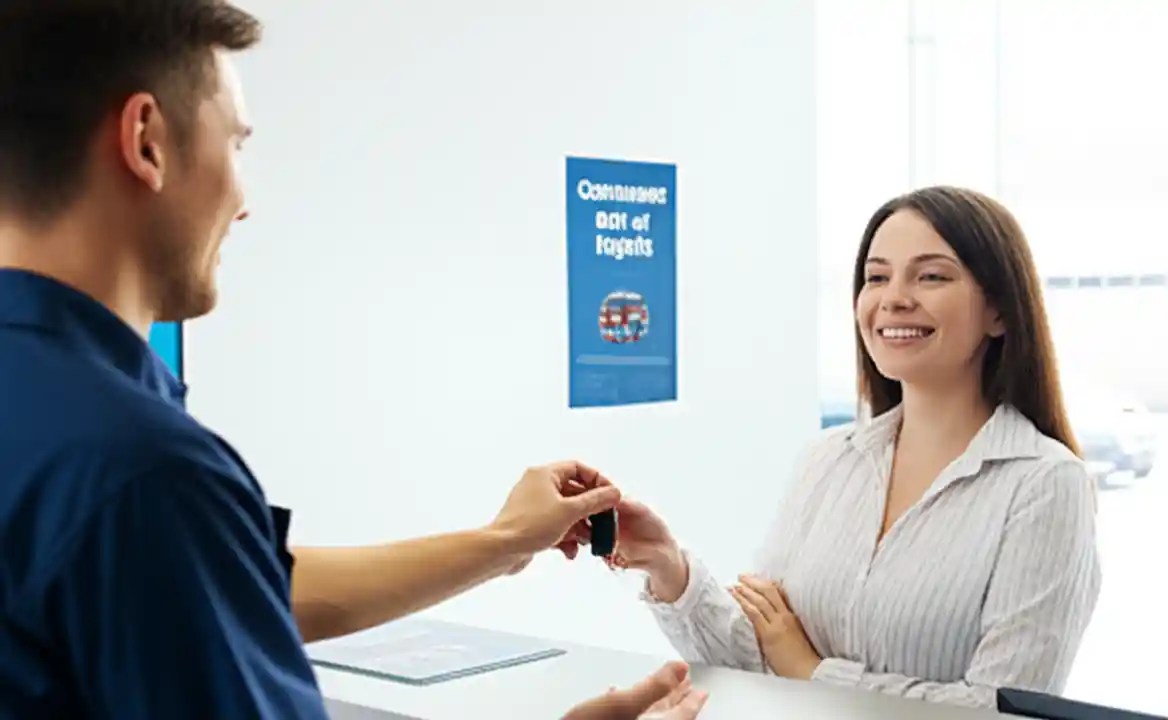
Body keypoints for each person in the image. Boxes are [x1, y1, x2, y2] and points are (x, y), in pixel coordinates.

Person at [0, 2, 707, 719]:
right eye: (236, 145)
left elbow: (233, 584)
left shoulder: (66, 431)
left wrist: (501, 543)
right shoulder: (143, 471)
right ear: (146, 140)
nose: (242, 200)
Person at [610, 186, 1102, 708]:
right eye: (876, 277)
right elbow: (756, 656)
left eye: (931, 275)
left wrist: (812, 670)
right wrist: (667, 567)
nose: (894, 298)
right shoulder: (828, 459)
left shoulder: (1046, 483)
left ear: (999, 312)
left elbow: (1002, 710)